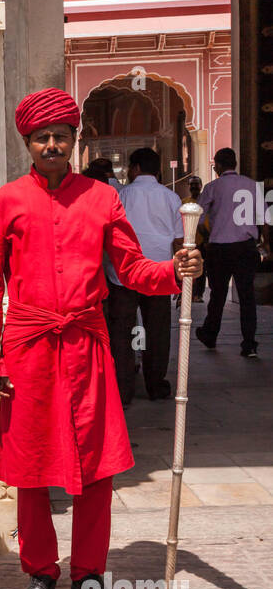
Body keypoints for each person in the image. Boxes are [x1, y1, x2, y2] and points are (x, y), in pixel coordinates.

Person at [0, 88, 201, 589]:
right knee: (31, 469)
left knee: (96, 469)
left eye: (60, 136)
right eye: (41, 138)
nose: (51, 145)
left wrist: (173, 271)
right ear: (27, 142)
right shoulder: (4, 201)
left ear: (75, 140)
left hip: (87, 344)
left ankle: (91, 573)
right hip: (27, 348)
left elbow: (132, 267)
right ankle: (38, 571)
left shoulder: (103, 199)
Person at [106, 147, 183, 404]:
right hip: (158, 274)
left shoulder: (121, 195)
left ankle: (122, 390)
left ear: (135, 168)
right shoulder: (171, 198)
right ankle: (156, 385)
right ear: (158, 170)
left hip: (123, 274)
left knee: (122, 333)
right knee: (158, 330)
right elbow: (179, 242)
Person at [196, 148, 261, 358]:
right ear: (235, 163)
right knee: (247, 296)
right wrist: (262, 241)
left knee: (218, 294)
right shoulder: (252, 185)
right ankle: (249, 343)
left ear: (218, 166)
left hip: (221, 247)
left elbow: (197, 217)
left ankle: (210, 334)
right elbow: (262, 217)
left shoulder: (213, 187)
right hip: (246, 246)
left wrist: (207, 234)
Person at [187, 174, 207, 302]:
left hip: (205, 242)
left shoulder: (206, 202)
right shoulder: (184, 203)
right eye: (192, 184)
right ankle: (187, 294)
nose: (194, 187)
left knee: (201, 270)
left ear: (200, 186)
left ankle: (198, 294)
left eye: (196, 184)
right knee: (189, 270)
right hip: (190, 242)